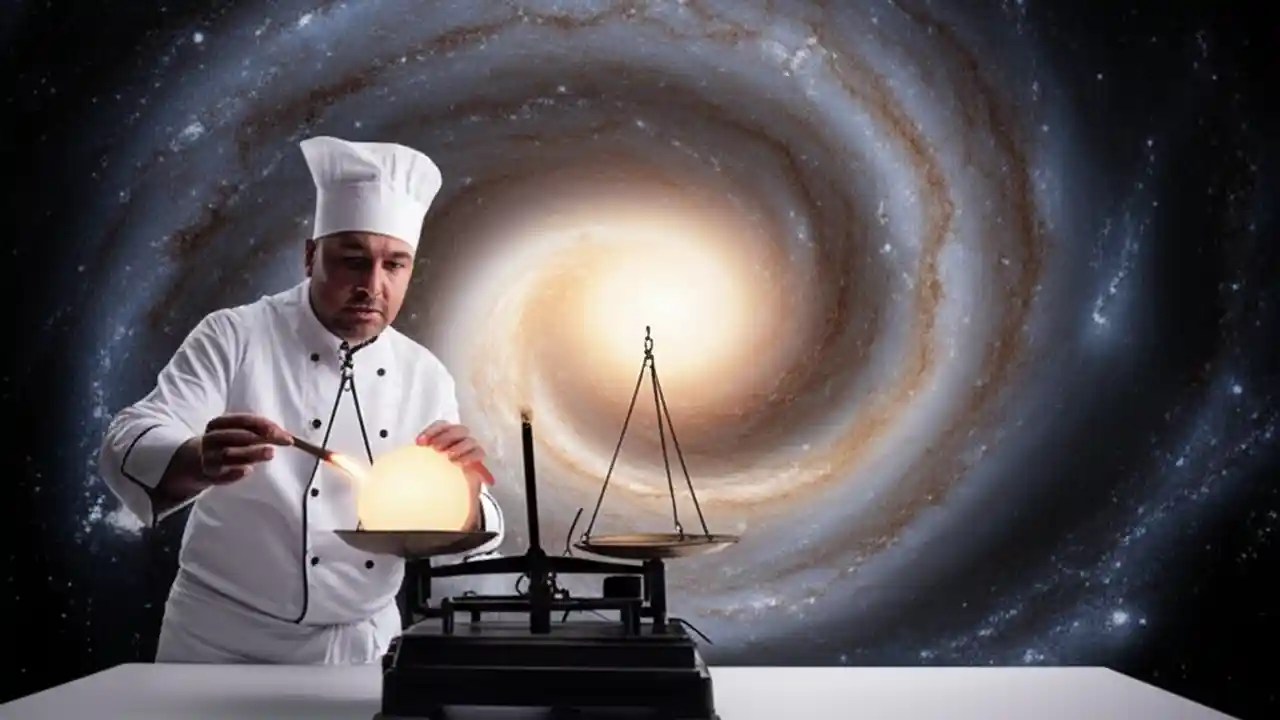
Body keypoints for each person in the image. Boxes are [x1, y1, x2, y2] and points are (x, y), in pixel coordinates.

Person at [97, 135, 505, 664]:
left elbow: (463, 538)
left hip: (361, 647)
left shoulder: (424, 375)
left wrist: (465, 495)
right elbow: (127, 440)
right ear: (311, 257)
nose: (372, 285)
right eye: (353, 260)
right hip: (219, 642)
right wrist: (199, 457)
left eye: (395, 265)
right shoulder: (235, 336)